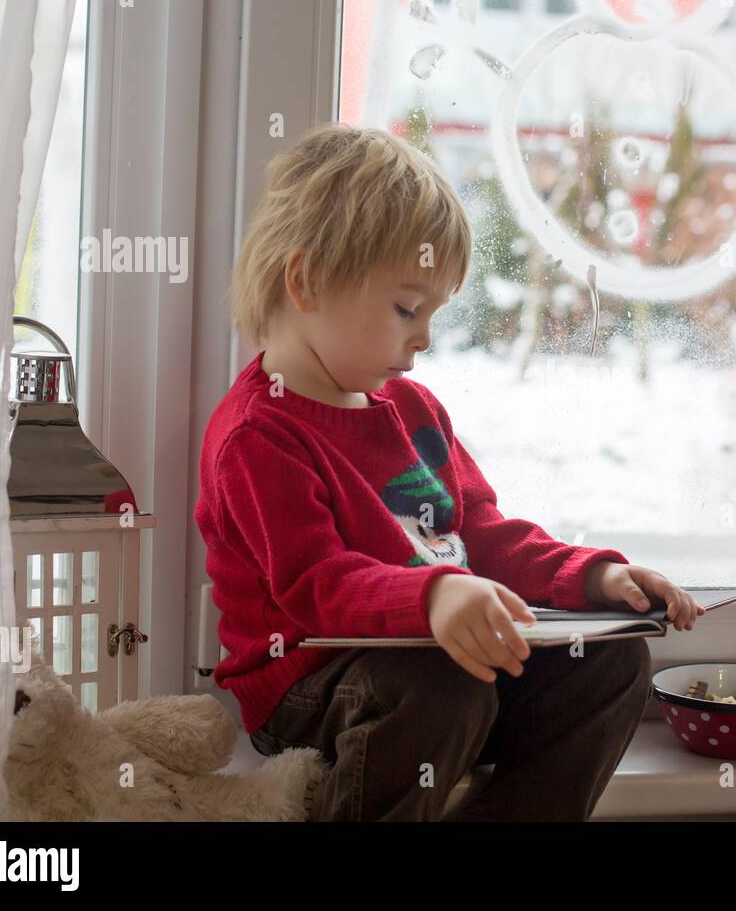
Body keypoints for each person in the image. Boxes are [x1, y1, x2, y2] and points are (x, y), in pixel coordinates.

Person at [194, 123, 703, 821]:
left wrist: (593, 578)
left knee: (610, 664)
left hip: (435, 660)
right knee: (438, 684)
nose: (424, 337)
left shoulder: (412, 409)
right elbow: (318, 585)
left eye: (432, 313)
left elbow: (485, 536)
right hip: (312, 680)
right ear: (307, 280)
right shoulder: (258, 435)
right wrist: (434, 596)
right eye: (407, 308)